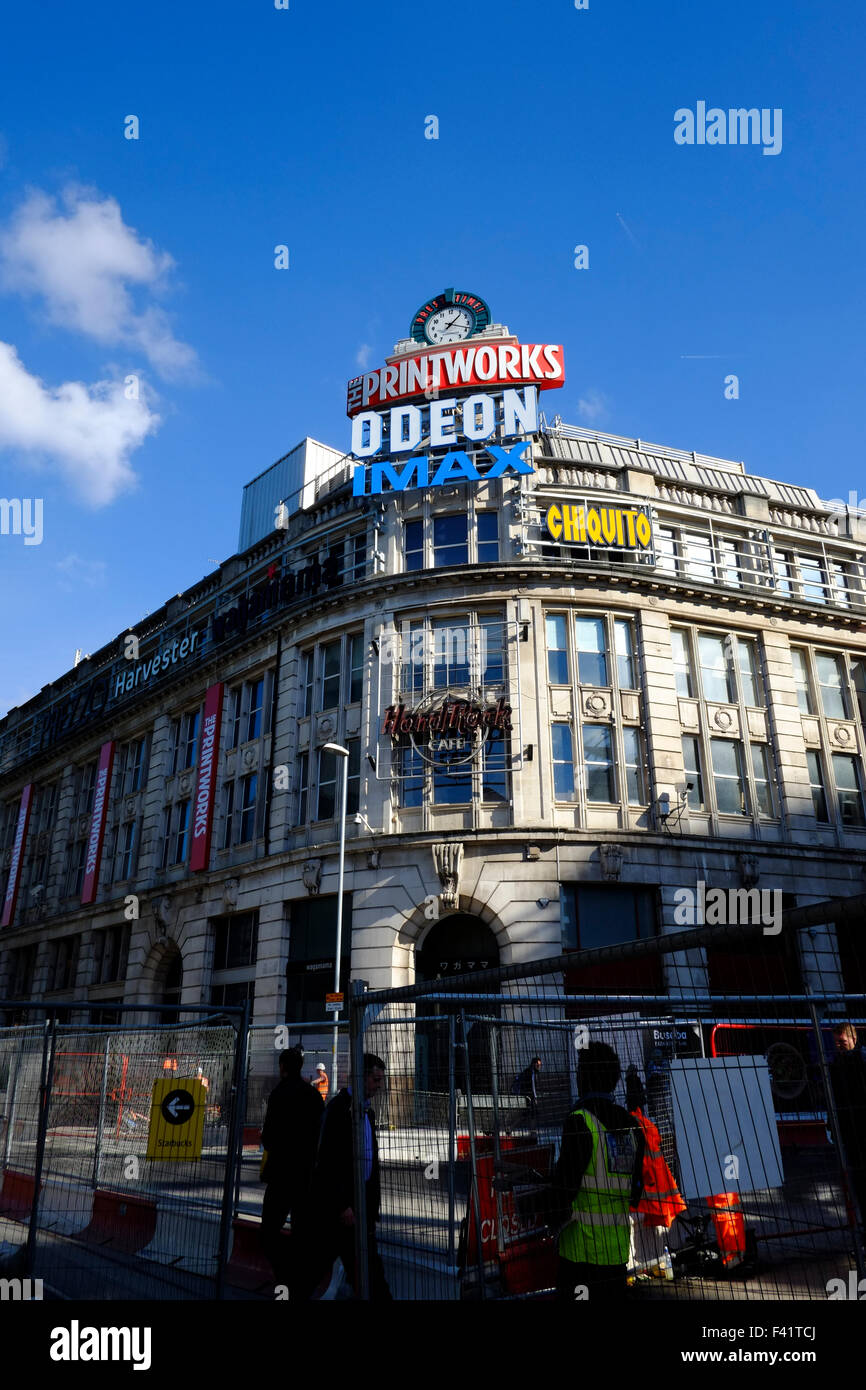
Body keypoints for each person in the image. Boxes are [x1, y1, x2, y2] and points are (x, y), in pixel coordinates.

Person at [550, 1042, 644, 1301]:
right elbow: (636, 1193)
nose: (577, 1076)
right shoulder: (633, 1128)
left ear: (586, 1077)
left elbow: (564, 1191)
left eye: (580, 1071)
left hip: (580, 1256)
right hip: (616, 1256)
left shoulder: (580, 1122)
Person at [309, 1051, 392, 1300]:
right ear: (361, 1077)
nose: (379, 1086)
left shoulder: (367, 1112)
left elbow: (370, 1161)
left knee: (369, 1270)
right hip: (341, 1209)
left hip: (360, 1206)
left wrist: (371, 1203)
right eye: (375, 1080)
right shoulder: (339, 1110)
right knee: (316, 1268)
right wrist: (341, 1204)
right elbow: (327, 1162)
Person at [260, 1046, 325, 1291]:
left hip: (281, 1174)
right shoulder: (312, 1095)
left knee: (269, 1232)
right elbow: (321, 1135)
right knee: (301, 1232)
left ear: (282, 1067)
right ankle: (298, 1284)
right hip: (306, 1175)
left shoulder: (279, 1094)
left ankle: (285, 1277)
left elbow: (269, 1137)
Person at [829, 1022, 866, 1232]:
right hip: (851, 1132)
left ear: (854, 1039)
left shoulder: (859, 1061)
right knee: (859, 1186)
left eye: (842, 1042)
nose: (839, 1046)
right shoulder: (836, 1065)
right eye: (836, 1043)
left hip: (856, 1128)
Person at [515, 1056, 542, 1130]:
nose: (539, 1066)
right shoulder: (531, 1072)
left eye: (540, 1065)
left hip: (527, 1096)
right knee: (530, 1114)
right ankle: (532, 1129)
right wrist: (535, 1098)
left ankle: (532, 1129)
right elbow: (533, 1086)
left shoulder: (528, 1071)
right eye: (538, 1064)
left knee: (528, 1114)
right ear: (533, 1064)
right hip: (529, 1097)